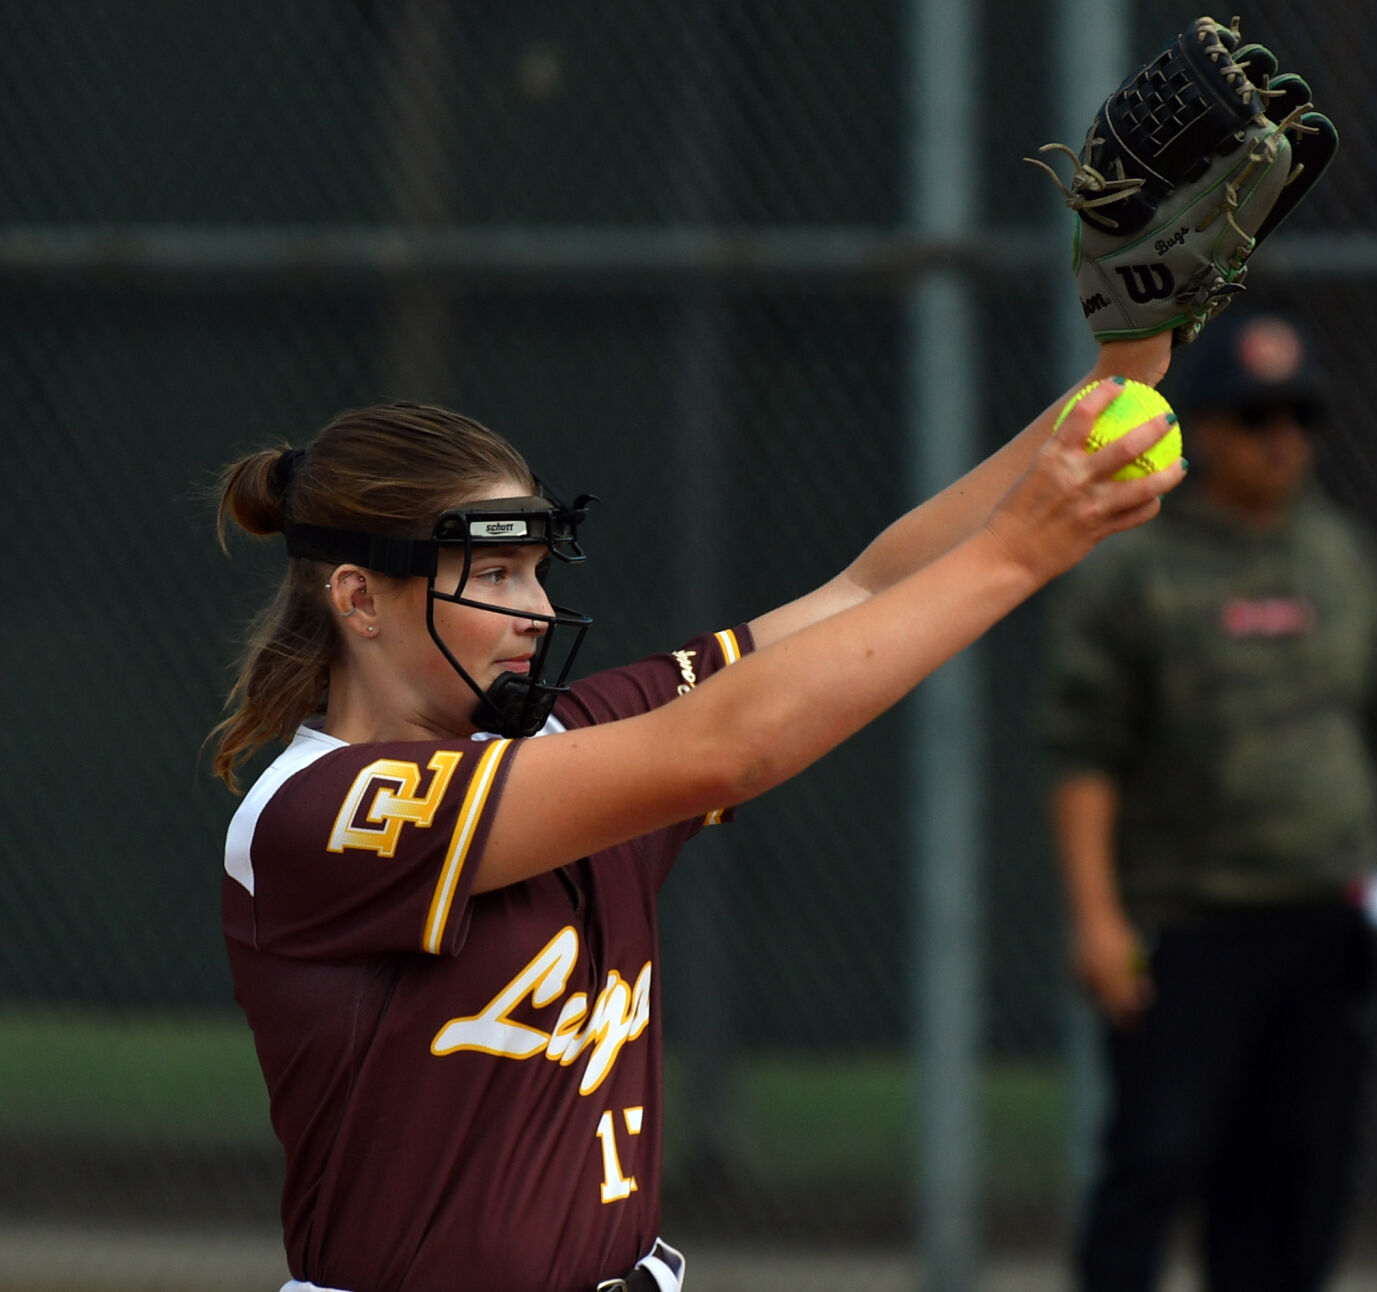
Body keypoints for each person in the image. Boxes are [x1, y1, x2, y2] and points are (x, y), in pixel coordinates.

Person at [210, 337, 1181, 1292]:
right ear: (358, 601)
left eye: (538, 571)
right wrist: (1022, 551)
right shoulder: (320, 812)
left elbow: (867, 591)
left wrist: (1119, 375)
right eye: (494, 574)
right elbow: (720, 746)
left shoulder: (558, 741)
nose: (536, 609)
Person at [1043, 308, 1377, 1292]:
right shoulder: (1138, 575)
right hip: (1185, 927)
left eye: (1299, 416)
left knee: (1295, 1177)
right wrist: (1097, 917)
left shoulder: (1352, 565)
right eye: (1256, 414)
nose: (1283, 439)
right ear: (1211, 428)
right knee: (1154, 1161)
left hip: (1326, 921)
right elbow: (1083, 752)